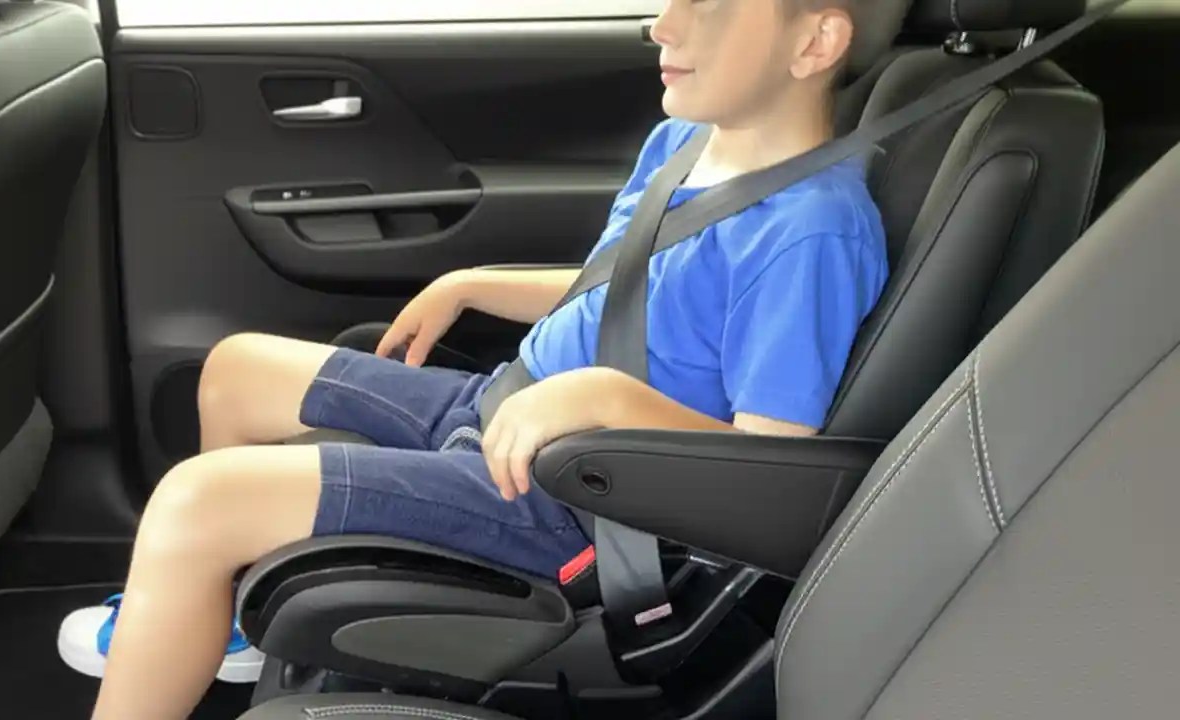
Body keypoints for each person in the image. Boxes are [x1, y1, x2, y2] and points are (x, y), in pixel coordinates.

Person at [59, 1, 889, 717]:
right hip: (505, 405)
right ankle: (217, 619)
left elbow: (768, 470)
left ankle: (184, 590)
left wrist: (603, 401)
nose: (661, 24)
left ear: (814, 42)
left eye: (709, 6)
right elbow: (629, 290)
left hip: (576, 498)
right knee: (234, 371)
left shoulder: (810, 231)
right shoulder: (686, 141)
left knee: (197, 502)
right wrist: (473, 283)